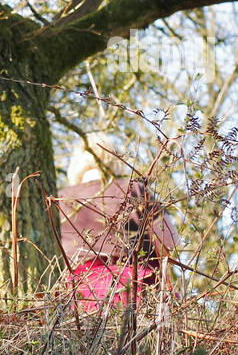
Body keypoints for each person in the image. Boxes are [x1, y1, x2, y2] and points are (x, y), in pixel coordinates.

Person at [55, 134, 178, 313]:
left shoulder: (59, 200)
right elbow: (168, 243)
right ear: (115, 158)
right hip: (136, 291)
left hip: (78, 299)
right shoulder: (133, 189)